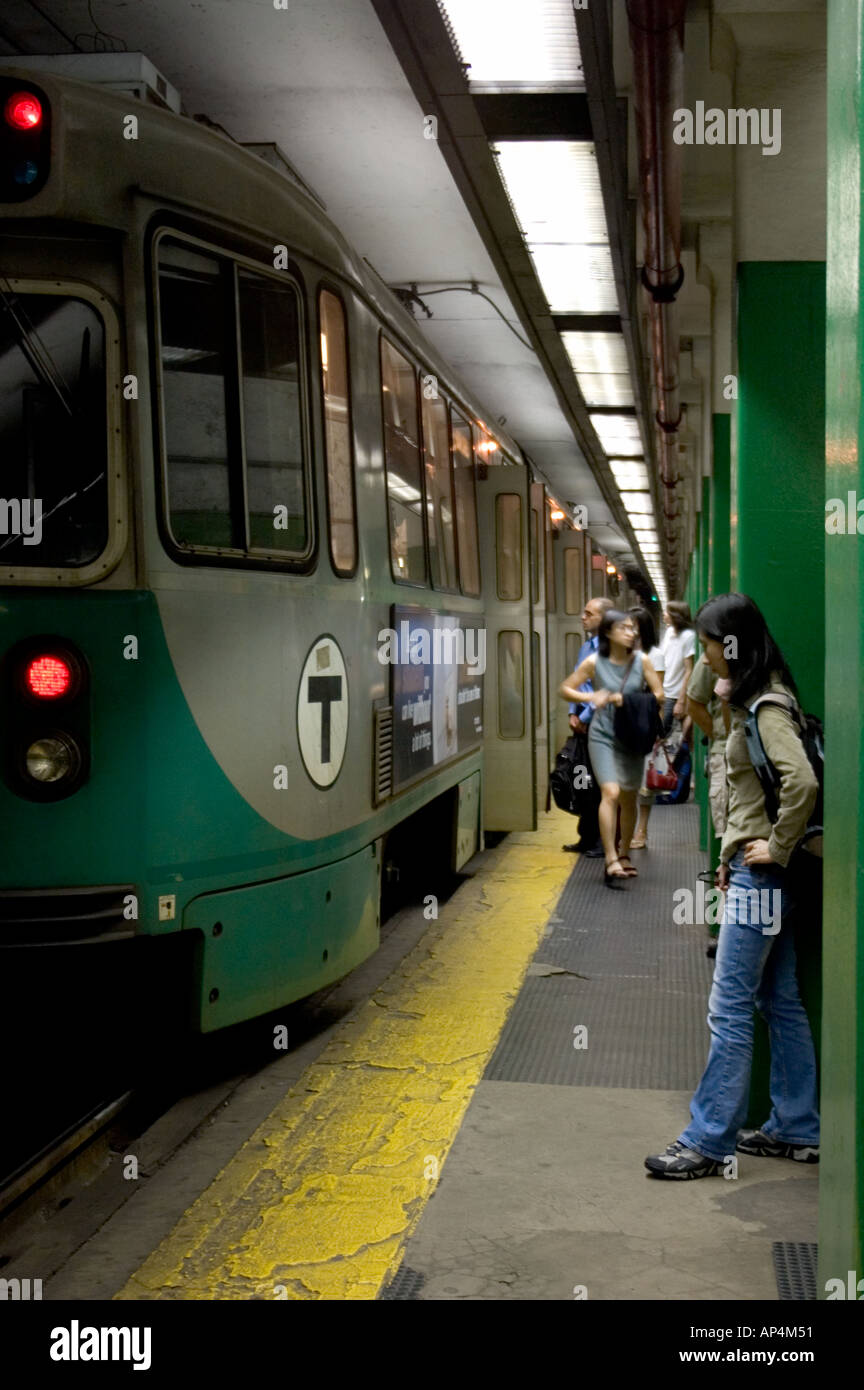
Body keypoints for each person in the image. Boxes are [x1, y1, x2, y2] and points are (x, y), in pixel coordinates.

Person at [645, 592, 820, 1178]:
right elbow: (751, 795)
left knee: (730, 1005)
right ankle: (797, 1126)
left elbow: (800, 784)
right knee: (779, 1000)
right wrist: (735, 854)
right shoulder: (756, 696)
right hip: (761, 870)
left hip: (765, 873)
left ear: (734, 646)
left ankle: (709, 1139)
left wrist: (777, 846)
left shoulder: (766, 707)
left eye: (711, 646)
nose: (705, 655)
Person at [560, 610, 664, 886]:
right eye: (624, 628)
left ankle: (624, 853)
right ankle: (610, 858)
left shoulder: (642, 661)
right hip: (602, 733)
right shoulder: (595, 662)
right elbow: (566, 688)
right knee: (611, 791)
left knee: (628, 796)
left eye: (632, 628)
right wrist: (590, 696)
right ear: (608, 633)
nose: (631, 632)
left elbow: (659, 694)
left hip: (631, 733)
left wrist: (628, 700)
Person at [562, 596, 613, 857]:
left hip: (600, 725)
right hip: (582, 723)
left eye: (589, 613)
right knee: (582, 781)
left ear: (603, 619)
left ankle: (603, 843)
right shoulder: (587, 647)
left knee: (599, 786)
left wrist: (584, 717)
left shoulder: (609, 649)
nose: (583, 617)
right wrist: (573, 713)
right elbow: (576, 682)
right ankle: (586, 836)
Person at [628, 605, 665, 851]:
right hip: (622, 721)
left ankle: (642, 829)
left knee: (644, 780)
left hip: (644, 721)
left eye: (632, 625)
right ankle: (626, 828)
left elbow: (658, 694)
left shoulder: (655, 655)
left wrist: (658, 731)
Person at [659, 601, 696, 736]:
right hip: (664, 690)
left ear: (675, 615)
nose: (664, 614)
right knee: (661, 734)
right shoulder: (669, 632)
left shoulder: (688, 636)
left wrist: (681, 700)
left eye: (667, 611)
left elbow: (689, 669)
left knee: (664, 732)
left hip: (675, 694)